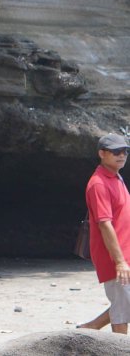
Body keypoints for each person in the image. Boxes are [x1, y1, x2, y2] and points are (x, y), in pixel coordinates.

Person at [83, 133, 130, 334]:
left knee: (125, 302)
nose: (122, 156)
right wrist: (119, 261)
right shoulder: (99, 183)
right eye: (116, 152)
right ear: (102, 153)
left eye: (125, 151)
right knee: (122, 308)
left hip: (125, 251)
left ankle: (91, 328)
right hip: (115, 256)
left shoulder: (116, 176)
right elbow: (104, 224)